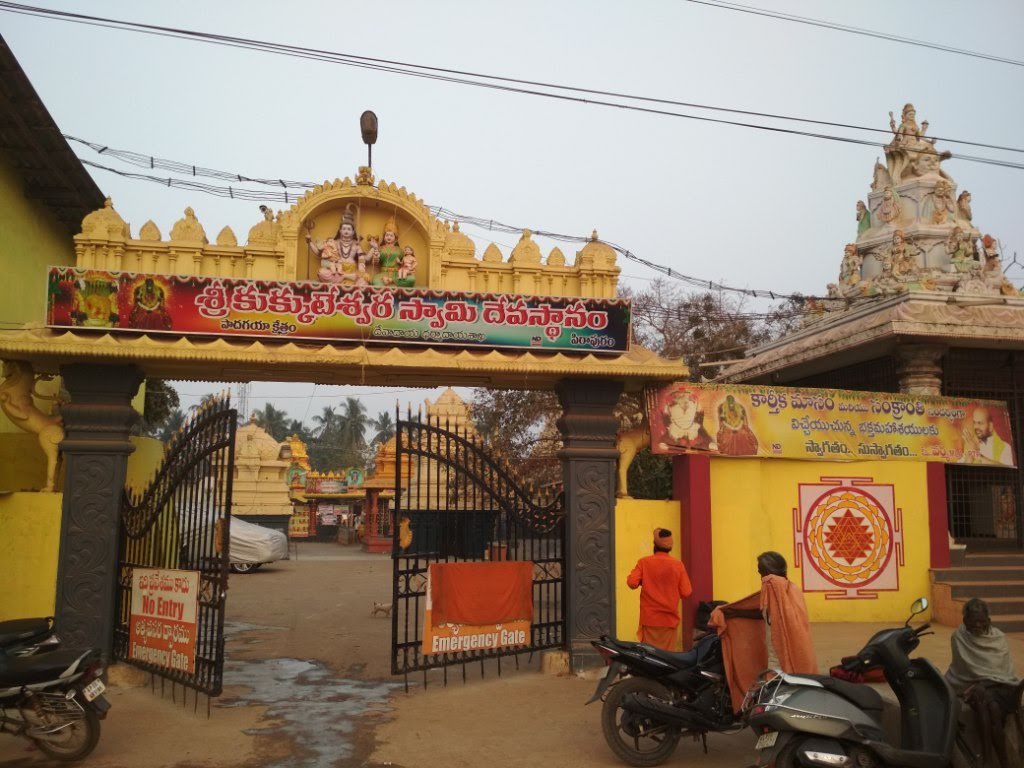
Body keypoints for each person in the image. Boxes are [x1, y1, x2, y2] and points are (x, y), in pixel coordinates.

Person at [709, 552, 818, 712]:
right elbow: (765, 611)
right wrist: (736, 613)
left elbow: (770, 608)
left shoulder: (772, 584)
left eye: (761, 571)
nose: (759, 574)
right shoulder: (790, 588)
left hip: (779, 651)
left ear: (768, 571)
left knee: (776, 686)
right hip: (782, 649)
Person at [945, 599, 1022, 768]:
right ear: (965, 621)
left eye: (982, 621)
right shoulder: (959, 637)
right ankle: (999, 761)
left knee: (985, 698)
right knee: (987, 703)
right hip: (973, 687)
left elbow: (1003, 674)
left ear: (989, 620)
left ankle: (989, 760)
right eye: (973, 623)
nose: (978, 626)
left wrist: (984, 683)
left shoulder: (998, 638)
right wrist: (981, 684)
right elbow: (964, 670)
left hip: (1002, 688)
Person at [626, 528, 692, 651]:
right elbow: (686, 592)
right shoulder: (678, 565)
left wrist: (644, 581)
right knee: (667, 657)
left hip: (649, 619)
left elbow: (632, 583)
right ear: (670, 547)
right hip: (669, 621)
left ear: (655, 545)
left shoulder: (644, 562)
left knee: (649, 656)